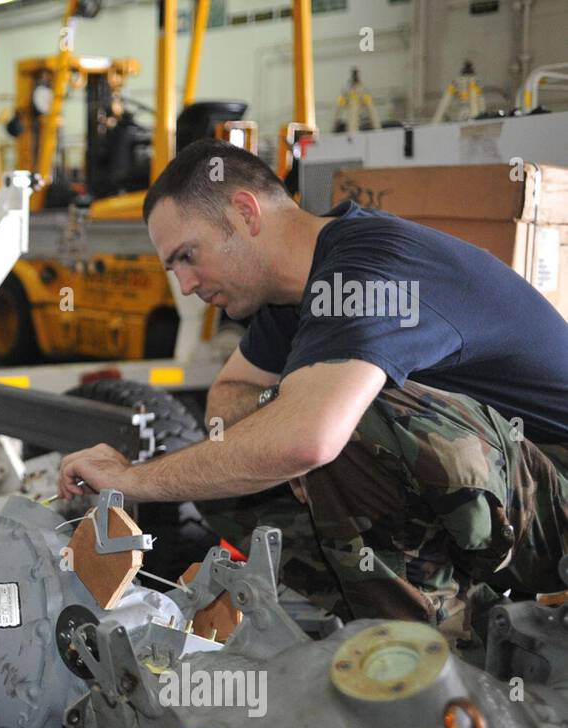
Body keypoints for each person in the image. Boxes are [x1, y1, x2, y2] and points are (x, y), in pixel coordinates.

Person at [59, 139, 568, 652]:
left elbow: (310, 439)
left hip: (556, 491)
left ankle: (429, 660)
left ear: (243, 212)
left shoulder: (367, 268)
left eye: (188, 256)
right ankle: (422, 622)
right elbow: (227, 401)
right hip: (501, 500)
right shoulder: (291, 296)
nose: (187, 284)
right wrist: (284, 423)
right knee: (234, 473)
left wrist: (133, 480)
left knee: (346, 420)